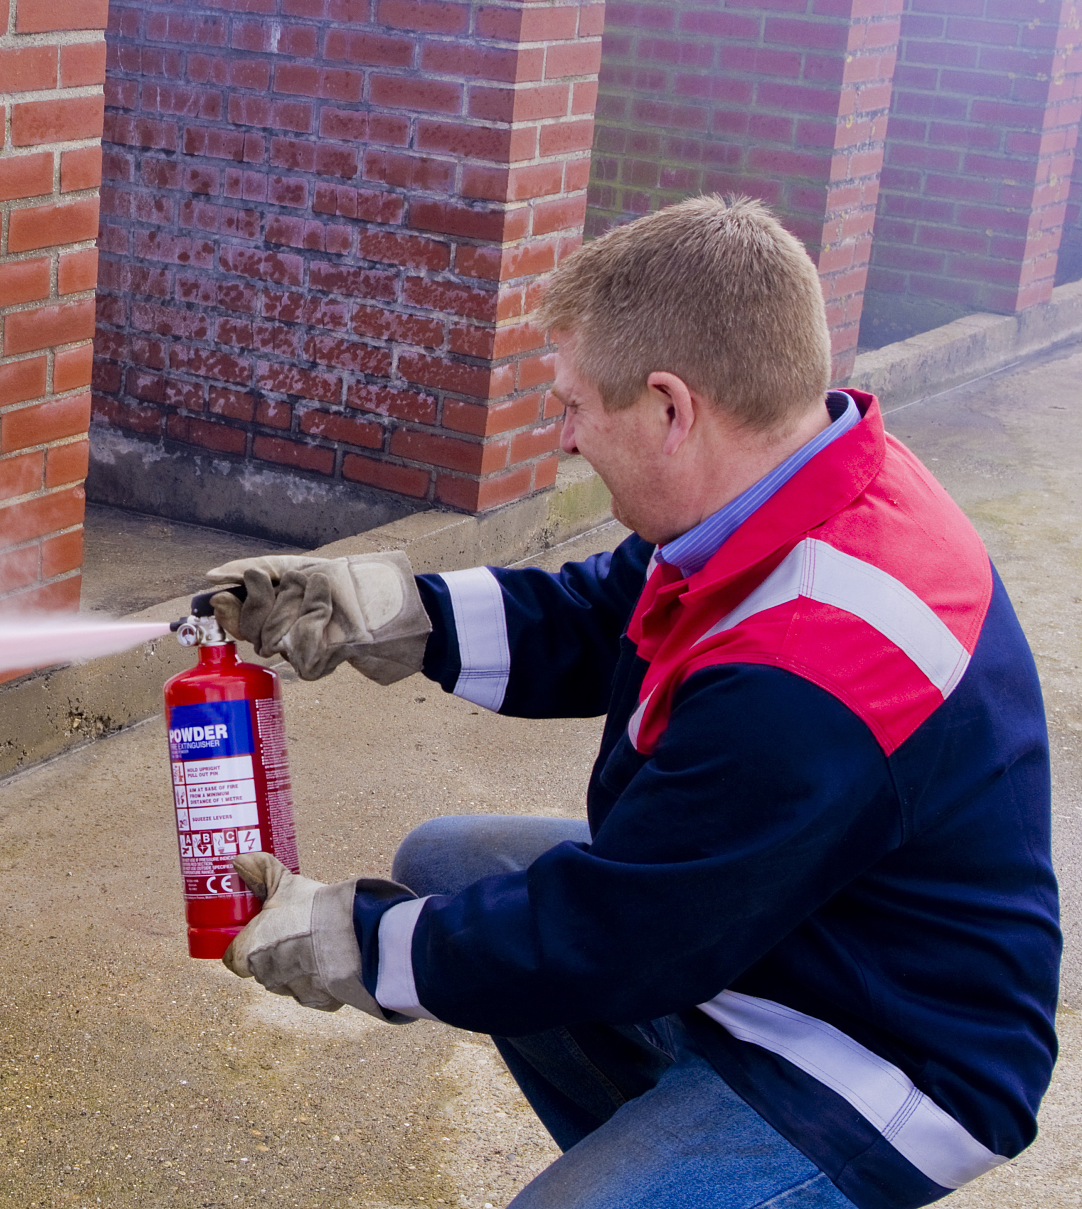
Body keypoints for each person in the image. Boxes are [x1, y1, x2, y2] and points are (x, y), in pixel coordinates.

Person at [206, 196, 1059, 1209]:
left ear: (669, 407)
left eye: (573, 406)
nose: (565, 438)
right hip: (787, 928)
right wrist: (398, 615)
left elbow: (619, 933)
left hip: (881, 1047)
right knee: (452, 861)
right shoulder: (797, 485)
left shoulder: (808, 671)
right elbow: (604, 613)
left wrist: (360, 944)